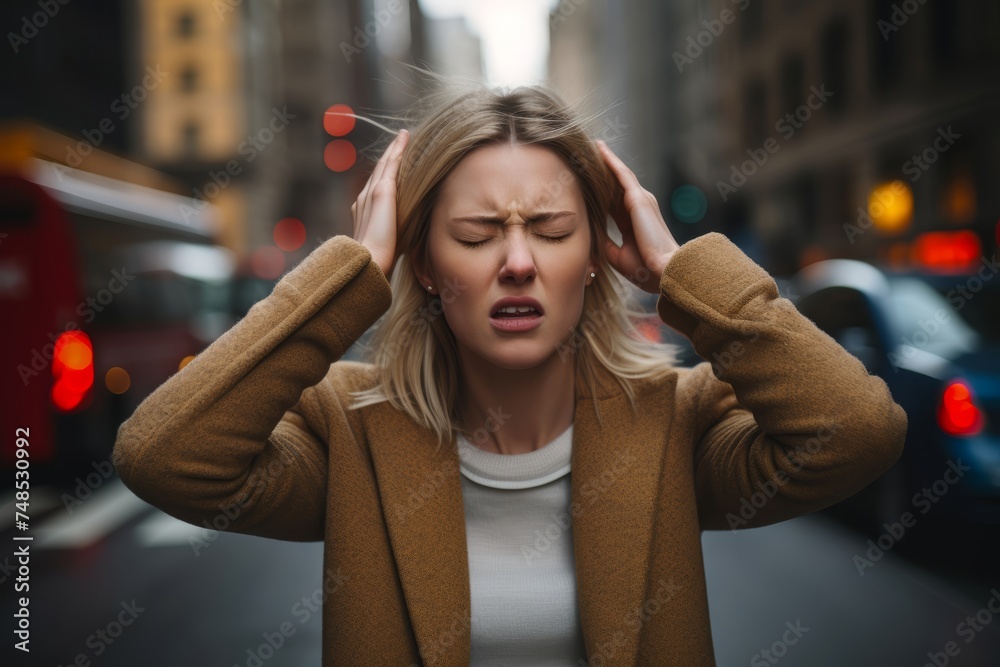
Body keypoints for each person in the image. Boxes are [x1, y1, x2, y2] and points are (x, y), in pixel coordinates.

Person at [112, 81, 908, 666]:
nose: (519, 262)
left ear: (596, 257)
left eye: (554, 230)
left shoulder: (673, 418)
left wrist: (680, 273)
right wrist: (350, 273)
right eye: (478, 232)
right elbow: (161, 454)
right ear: (423, 262)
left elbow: (859, 431)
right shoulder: (350, 431)